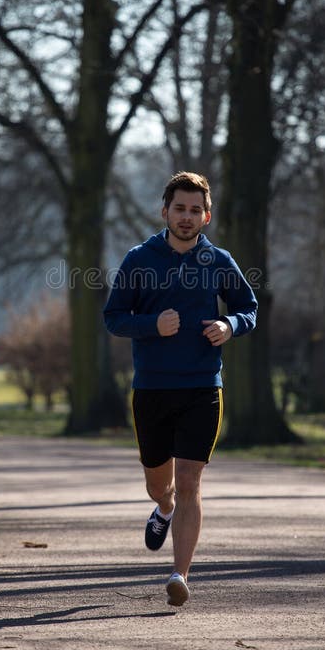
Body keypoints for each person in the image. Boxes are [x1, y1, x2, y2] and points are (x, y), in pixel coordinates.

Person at [103, 171, 257, 607]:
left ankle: (180, 574)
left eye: (195, 210)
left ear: (206, 216)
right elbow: (114, 317)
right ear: (164, 211)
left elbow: (248, 308)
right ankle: (163, 509)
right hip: (152, 388)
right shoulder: (139, 259)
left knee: (190, 481)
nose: (187, 217)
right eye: (179, 209)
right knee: (160, 485)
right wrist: (152, 324)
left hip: (202, 387)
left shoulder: (218, 261)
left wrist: (230, 324)